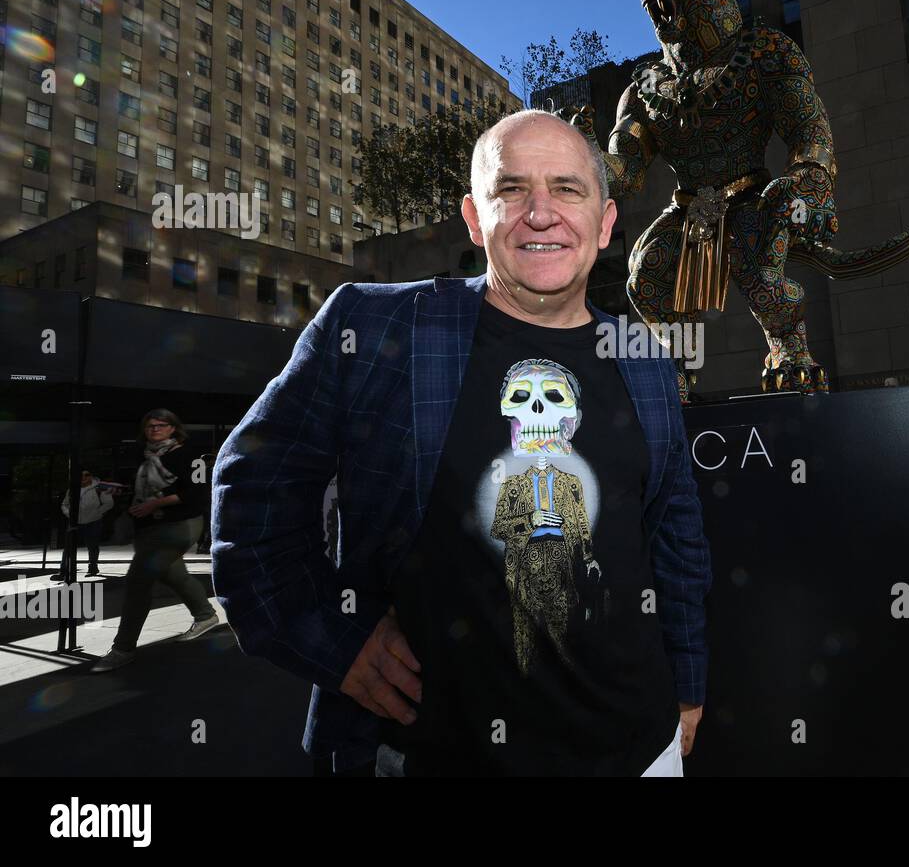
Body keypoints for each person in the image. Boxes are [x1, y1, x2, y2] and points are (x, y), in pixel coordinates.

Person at [212, 109, 712, 777]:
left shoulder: (643, 358)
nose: (541, 212)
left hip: (639, 749)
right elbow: (252, 496)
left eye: (567, 188)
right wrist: (333, 642)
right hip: (428, 756)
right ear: (475, 220)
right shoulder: (374, 327)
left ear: (606, 221)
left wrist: (686, 684)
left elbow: (675, 531)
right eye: (511, 189)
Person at [90, 410, 222, 672]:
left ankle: (123, 648)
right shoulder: (147, 456)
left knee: (138, 584)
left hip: (177, 526)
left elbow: (195, 494)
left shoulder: (187, 454)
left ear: (174, 428)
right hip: (152, 527)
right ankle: (205, 615)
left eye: (162, 425)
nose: (155, 429)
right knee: (174, 574)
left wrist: (155, 503)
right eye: (150, 426)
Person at [54, 469, 114, 580]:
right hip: (75, 522)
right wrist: (70, 514)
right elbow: (65, 504)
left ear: (91, 476)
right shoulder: (72, 489)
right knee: (68, 547)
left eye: (86, 475)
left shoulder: (100, 488)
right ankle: (63, 571)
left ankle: (93, 567)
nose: (83, 477)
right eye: (80, 475)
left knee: (92, 545)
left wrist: (97, 513)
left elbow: (109, 503)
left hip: (93, 521)